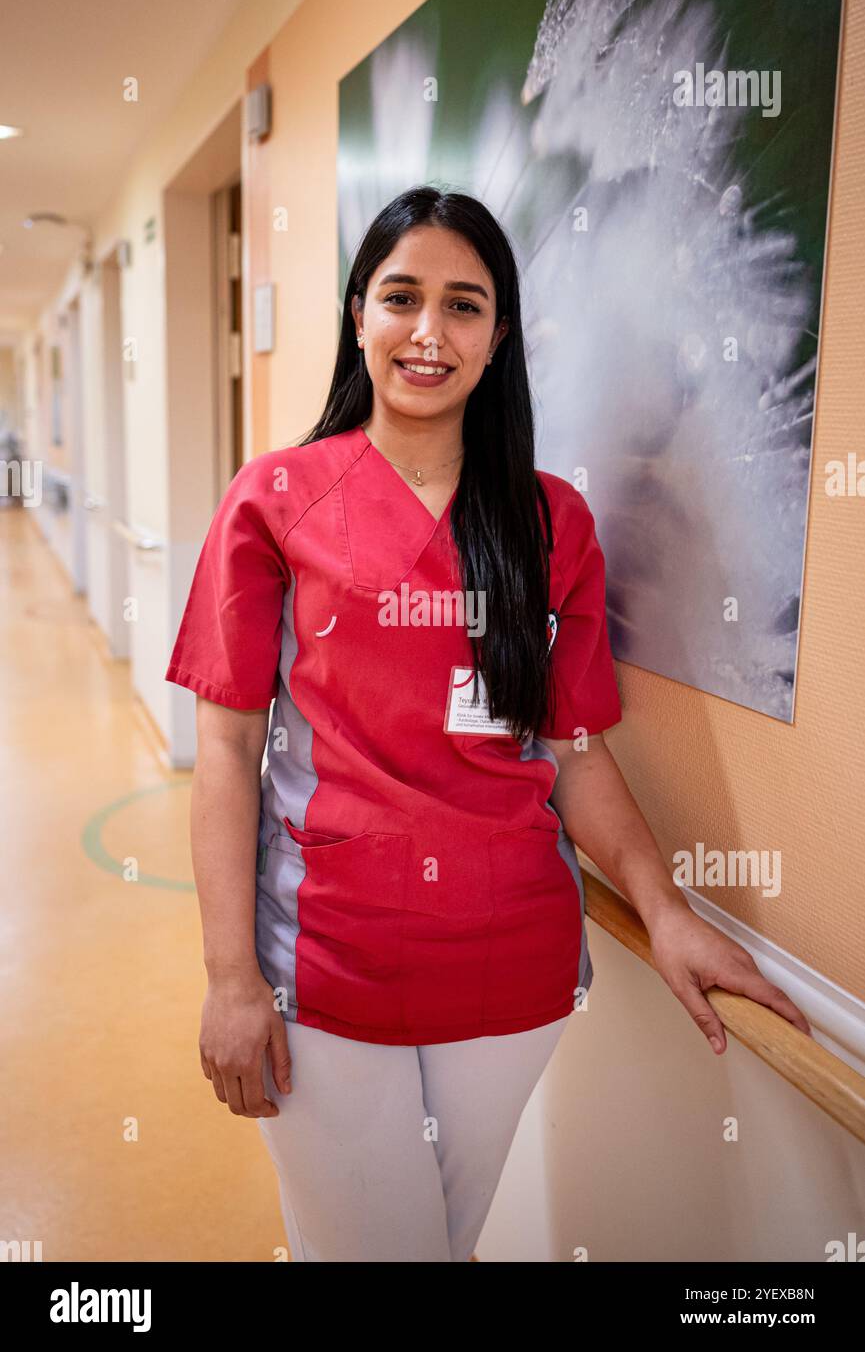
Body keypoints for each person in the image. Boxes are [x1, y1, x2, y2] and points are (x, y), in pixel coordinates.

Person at [164, 184, 812, 1263]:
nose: (429, 332)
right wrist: (232, 979)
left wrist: (666, 908)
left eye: (463, 305)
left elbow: (574, 752)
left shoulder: (550, 518)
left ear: (498, 332)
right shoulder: (275, 499)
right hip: (326, 970)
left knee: (441, 1248)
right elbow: (226, 752)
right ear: (357, 314)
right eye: (401, 297)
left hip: (513, 974)